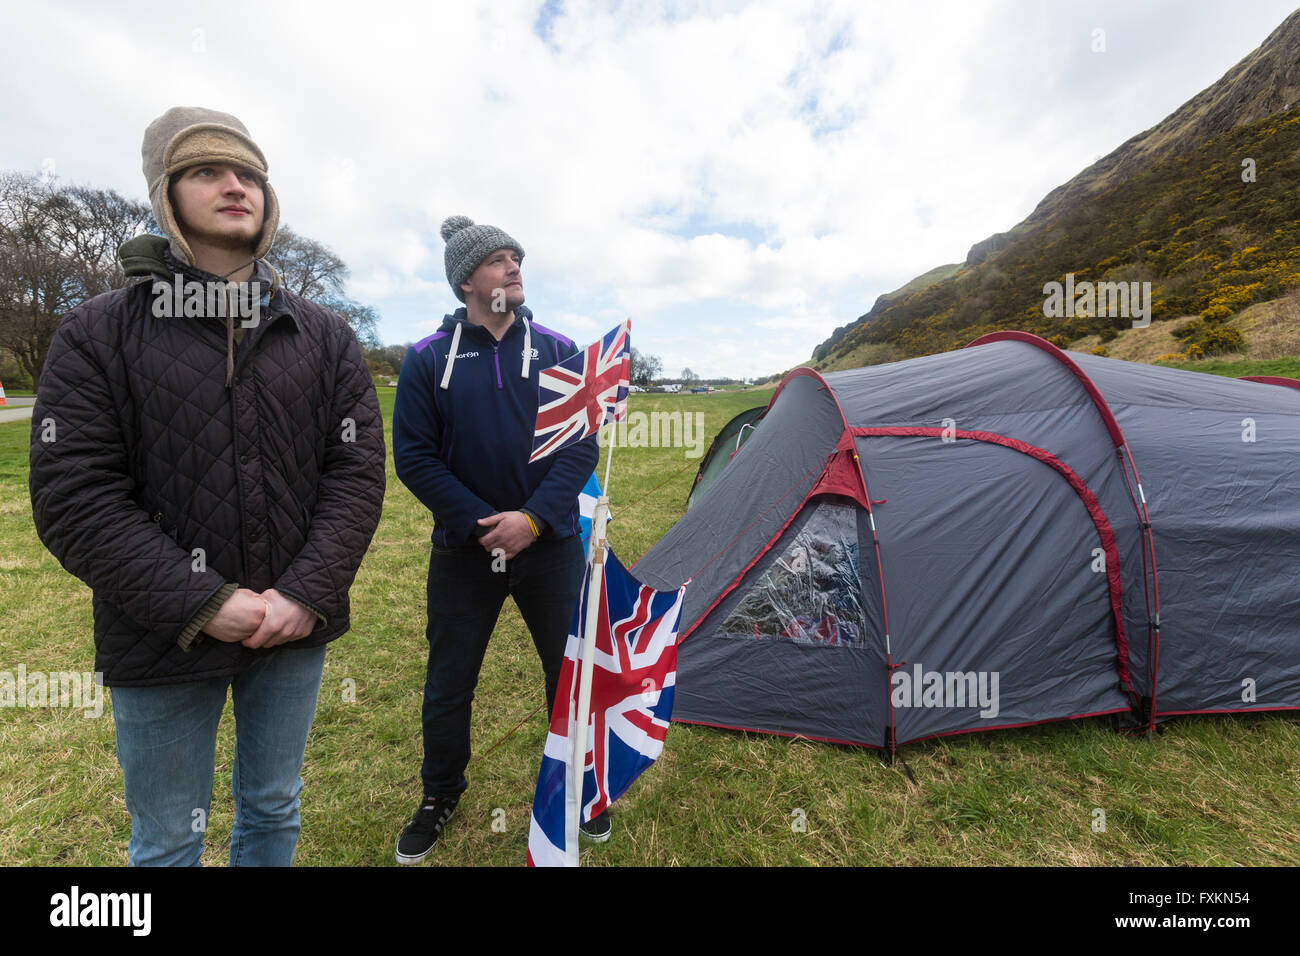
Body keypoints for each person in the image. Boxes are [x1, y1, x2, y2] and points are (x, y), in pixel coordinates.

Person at [28, 106, 385, 866]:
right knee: (165, 840)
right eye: (207, 171)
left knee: (273, 807)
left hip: (294, 626)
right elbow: (75, 496)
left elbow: (354, 474)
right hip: (158, 630)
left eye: (250, 173)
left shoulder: (323, 335)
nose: (235, 185)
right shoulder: (97, 333)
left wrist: (305, 593)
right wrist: (203, 602)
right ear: (165, 192)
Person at [391, 215, 607, 864]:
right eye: (497, 260)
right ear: (465, 280)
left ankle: (577, 789)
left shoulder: (560, 350)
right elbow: (415, 456)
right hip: (465, 552)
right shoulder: (428, 359)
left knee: (568, 674)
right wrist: (485, 524)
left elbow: (581, 448)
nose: (513, 267)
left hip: (552, 546)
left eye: (517, 257)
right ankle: (439, 794)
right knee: (449, 682)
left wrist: (533, 520)